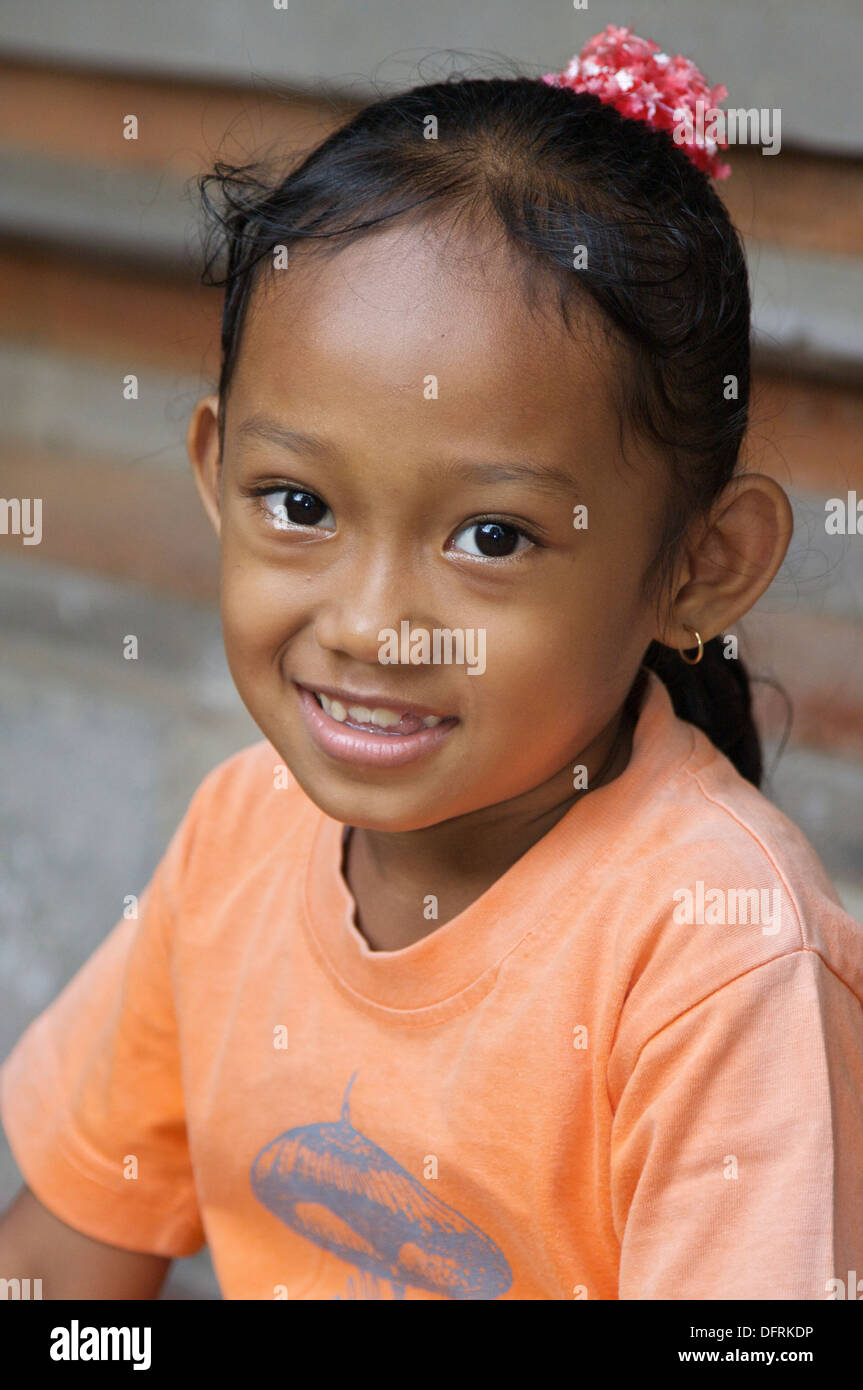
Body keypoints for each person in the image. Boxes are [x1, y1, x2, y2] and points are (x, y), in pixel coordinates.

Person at [2, 24, 862, 1301]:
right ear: (213, 471)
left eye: (490, 536)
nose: (368, 623)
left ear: (701, 565)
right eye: (297, 505)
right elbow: (67, 1268)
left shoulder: (715, 964)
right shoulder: (242, 836)